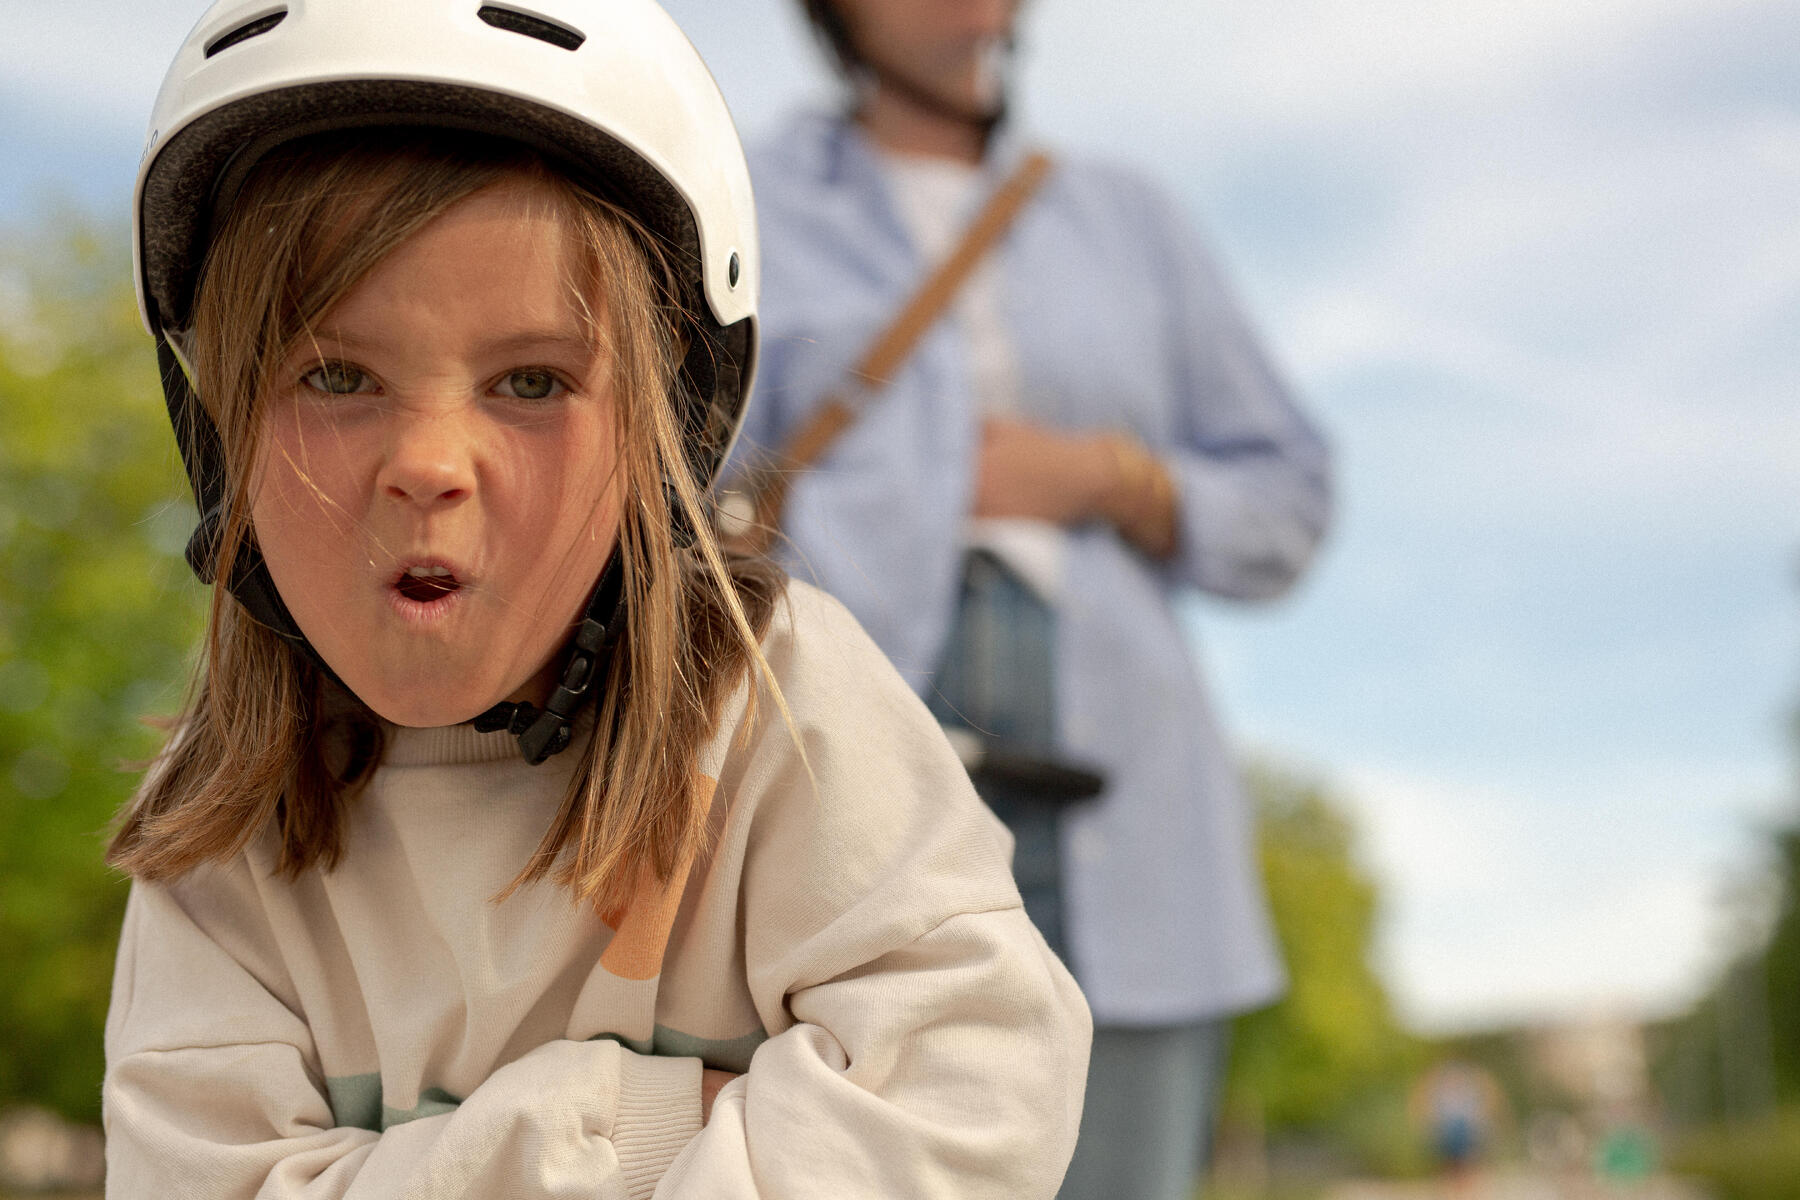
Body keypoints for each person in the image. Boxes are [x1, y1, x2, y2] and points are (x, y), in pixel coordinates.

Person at [100, 1, 1090, 1196]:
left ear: (663, 435)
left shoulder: (779, 702)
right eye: (337, 375)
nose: (429, 463)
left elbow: (980, 1092)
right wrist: (623, 1133)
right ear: (224, 442)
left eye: (529, 381)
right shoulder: (215, 829)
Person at [737, 1, 1332, 1196]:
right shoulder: (741, 197)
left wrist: (1112, 475)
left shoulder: (1130, 219)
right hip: (845, 773)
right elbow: (666, 483)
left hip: (1126, 798)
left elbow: (1288, 498)